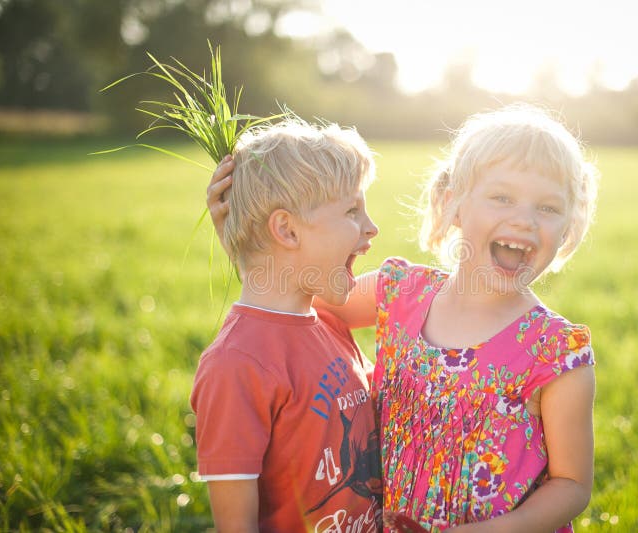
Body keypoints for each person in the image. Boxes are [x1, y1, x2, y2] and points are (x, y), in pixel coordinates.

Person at [207, 103, 599, 532]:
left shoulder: (556, 352)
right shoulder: (400, 294)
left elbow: (572, 483)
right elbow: (288, 292)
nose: (524, 220)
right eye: (502, 197)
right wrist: (249, 240)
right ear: (453, 204)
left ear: (568, 226)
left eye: (548, 207)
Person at [192, 117, 383, 533]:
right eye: (352, 210)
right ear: (286, 229)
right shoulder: (235, 366)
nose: (372, 228)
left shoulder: (329, 319)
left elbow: (418, 298)